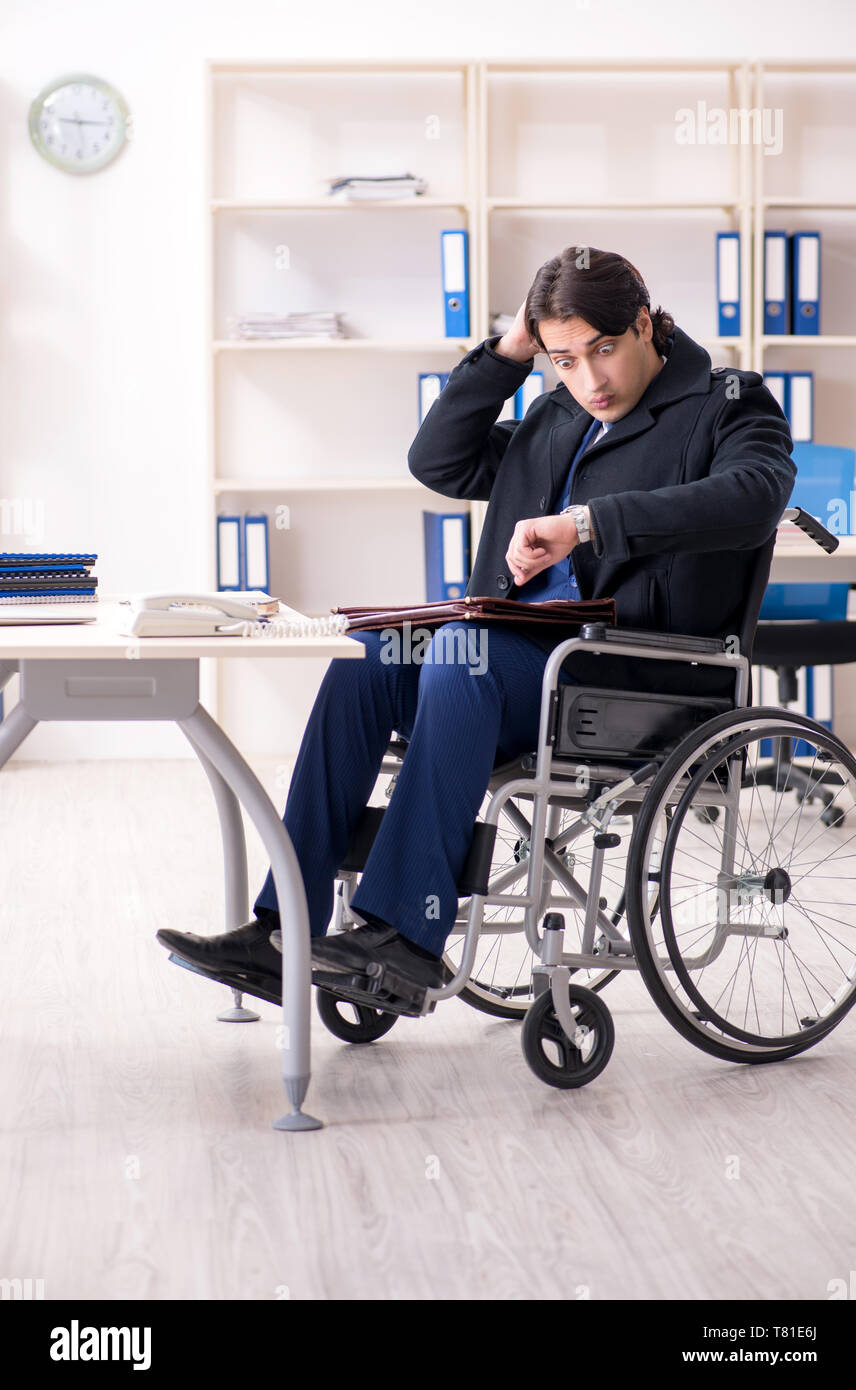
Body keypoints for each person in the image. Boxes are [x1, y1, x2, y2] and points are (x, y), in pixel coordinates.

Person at [157, 245, 795, 1011]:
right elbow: (439, 462)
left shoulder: (727, 400)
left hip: (630, 672)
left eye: (603, 350)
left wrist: (585, 524)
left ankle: (405, 937)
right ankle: (278, 927)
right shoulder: (559, 409)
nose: (589, 379)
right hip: (515, 653)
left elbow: (753, 496)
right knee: (365, 656)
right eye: (563, 357)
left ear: (645, 324)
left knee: (463, 659)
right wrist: (507, 357)